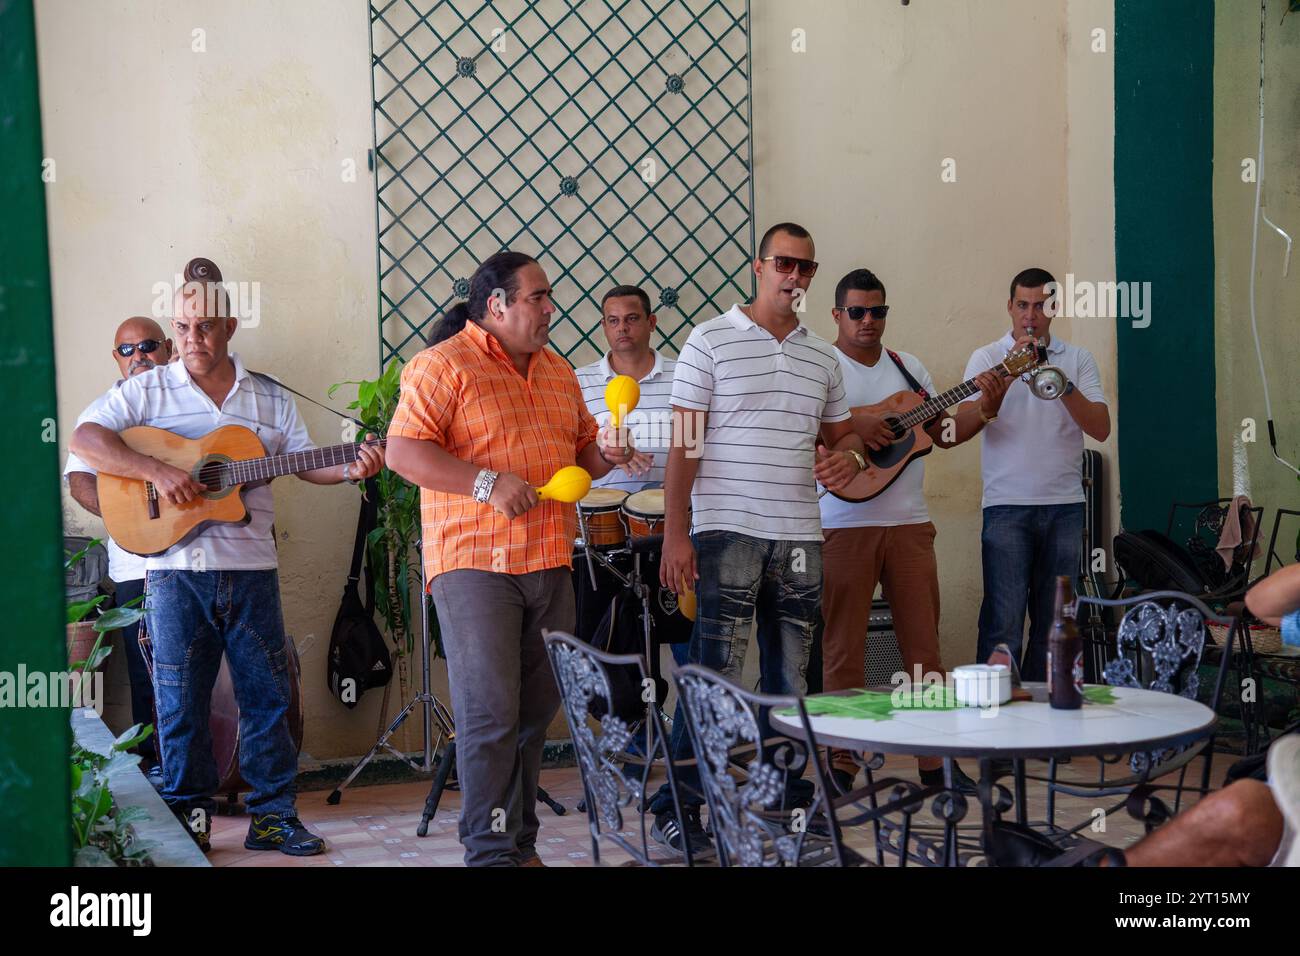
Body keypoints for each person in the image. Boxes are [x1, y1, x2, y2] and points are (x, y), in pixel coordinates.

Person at [69, 259, 384, 855]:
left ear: (231, 325)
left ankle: (273, 817)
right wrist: (157, 470)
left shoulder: (266, 396)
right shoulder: (144, 390)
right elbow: (87, 441)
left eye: (207, 327)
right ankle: (191, 820)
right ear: (174, 327)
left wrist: (350, 466)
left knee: (265, 695)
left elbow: (303, 459)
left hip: (252, 570)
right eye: (184, 328)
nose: (195, 340)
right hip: (173, 575)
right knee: (178, 698)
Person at [385, 251, 635, 867]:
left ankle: (521, 845)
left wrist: (606, 451)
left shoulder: (556, 371)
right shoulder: (443, 365)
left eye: (549, 297)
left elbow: (578, 457)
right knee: (491, 713)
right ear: (496, 305)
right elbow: (402, 452)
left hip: (550, 560)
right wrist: (485, 483)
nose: (550, 308)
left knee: (532, 716)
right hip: (474, 565)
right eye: (538, 297)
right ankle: (490, 852)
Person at [647, 222, 876, 855]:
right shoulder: (709, 341)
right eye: (784, 264)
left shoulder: (820, 357)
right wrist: (675, 532)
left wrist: (850, 462)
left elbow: (844, 439)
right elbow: (685, 445)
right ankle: (679, 805)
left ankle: (777, 793)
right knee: (714, 674)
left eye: (806, 268)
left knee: (792, 682)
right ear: (758, 265)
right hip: (727, 532)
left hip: (801, 536)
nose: (795, 277)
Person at [819, 269, 1011, 796]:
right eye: (856, 312)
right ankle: (841, 760)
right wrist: (861, 422)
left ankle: (936, 760)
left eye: (877, 311)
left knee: (924, 650)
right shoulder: (822, 366)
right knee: (843, 650)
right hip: (843, 525)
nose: (868, 321)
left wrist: (987, 407)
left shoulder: (909, 369)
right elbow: (807, 425)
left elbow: (944, 432)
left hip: (908, 526)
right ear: (836, 315)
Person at [960, 268, 1110, 680]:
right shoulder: (987, 358)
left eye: (1041, 305)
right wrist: (1006, 376)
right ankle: (996, 727)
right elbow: (960, 426)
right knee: (1002, 624)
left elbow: (1100, 427)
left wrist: (1060, 382)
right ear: (1010, 307)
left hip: (1064, 507)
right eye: (1023, 305)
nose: (1031, 315)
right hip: (1006, 506)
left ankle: (1044, 729)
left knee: (1055, 626)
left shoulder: (1077, 359)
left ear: (1055, 308)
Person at [64, 316, 175, 768]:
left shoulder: (190, 402)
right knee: (148, 670)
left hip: (200, 562)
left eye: (148, 345)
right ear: (116, 358)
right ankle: (157, 767)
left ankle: (216, 768)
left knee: (207, 671)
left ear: (167, 348)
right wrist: (128, 518)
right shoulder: (103, 410)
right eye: (126, 349)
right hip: (135, 566)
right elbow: (78, 479)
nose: (138, 356)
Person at [574, 284, 674, 492]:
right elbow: (566, 454)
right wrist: (609, 454)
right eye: (613, 320)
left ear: (652, 322)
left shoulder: (684, 375)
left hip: (670, 511)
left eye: (632, 318)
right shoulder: (577, 382)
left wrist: (683, 481)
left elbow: (699, 445)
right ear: (604, 326)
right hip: (601, 518)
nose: (622, 327)